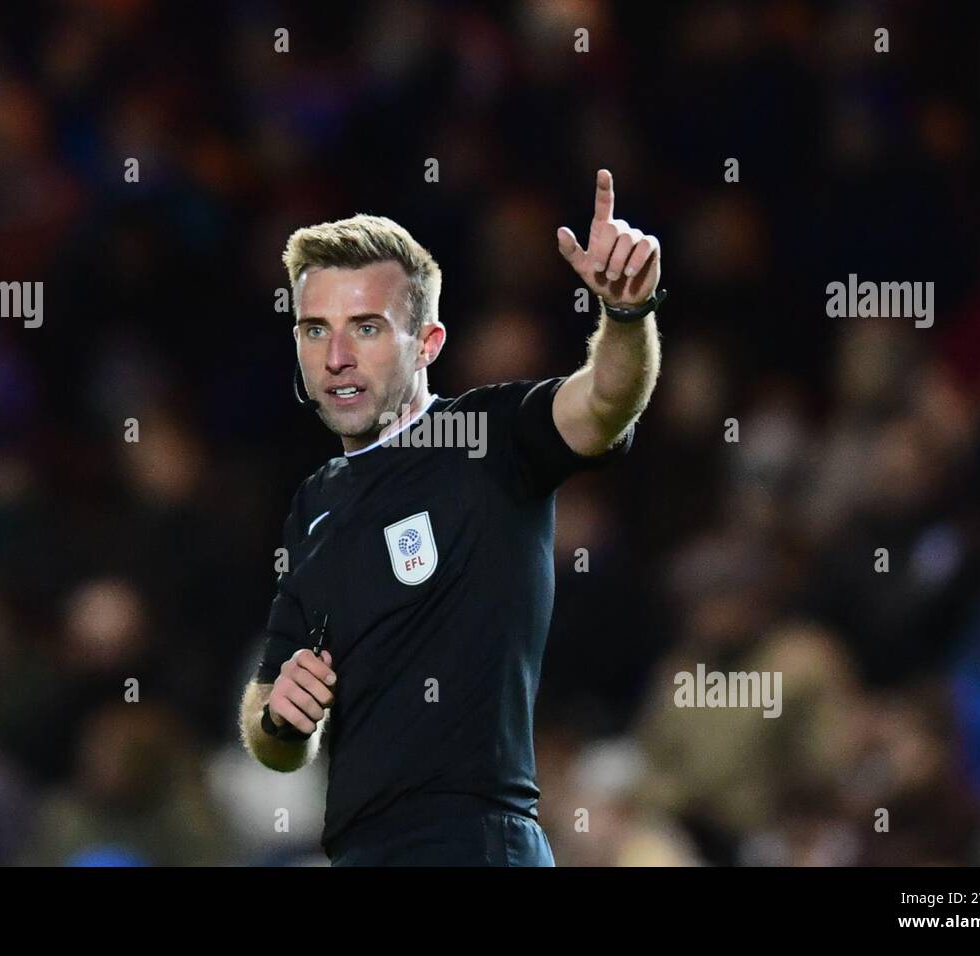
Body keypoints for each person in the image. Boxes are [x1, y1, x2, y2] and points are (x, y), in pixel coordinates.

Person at [238, 170, 665, 866]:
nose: (336, 357)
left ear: (428, 343)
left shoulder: (488, 438)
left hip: (474, 843)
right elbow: (270, 728)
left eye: (366, 329)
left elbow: (604, 403)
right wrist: (279, 718)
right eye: (316, 330)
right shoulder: (315, 503)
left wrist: (626, 313)